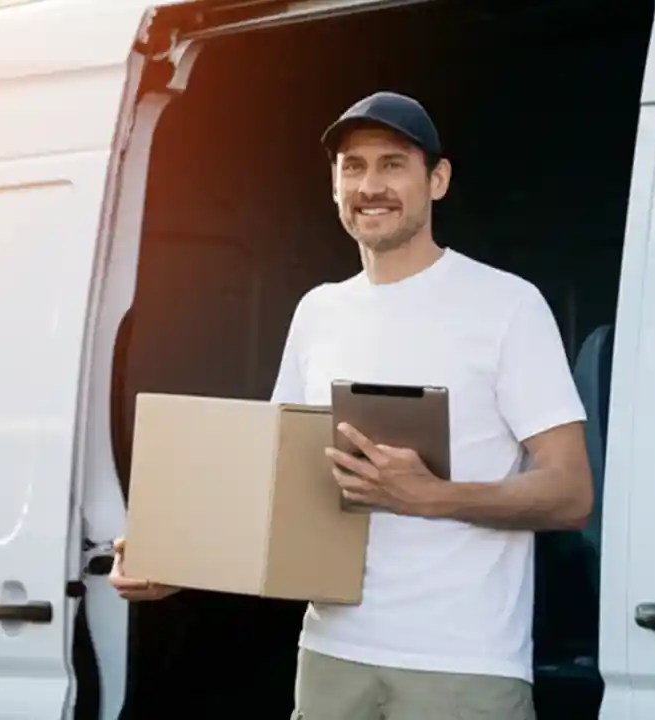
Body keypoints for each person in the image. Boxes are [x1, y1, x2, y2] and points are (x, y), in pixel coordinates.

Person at [111, 91, 593, 719]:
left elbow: (571, 492)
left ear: (437, 180)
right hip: (332, 659)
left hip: (462, 668)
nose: (371, 185)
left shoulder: (507, 305)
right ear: (335, 185)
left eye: (393, 164)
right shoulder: (319, 311)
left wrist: (430, 495)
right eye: (353, 167)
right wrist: (171, 560)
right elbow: (277, 489)